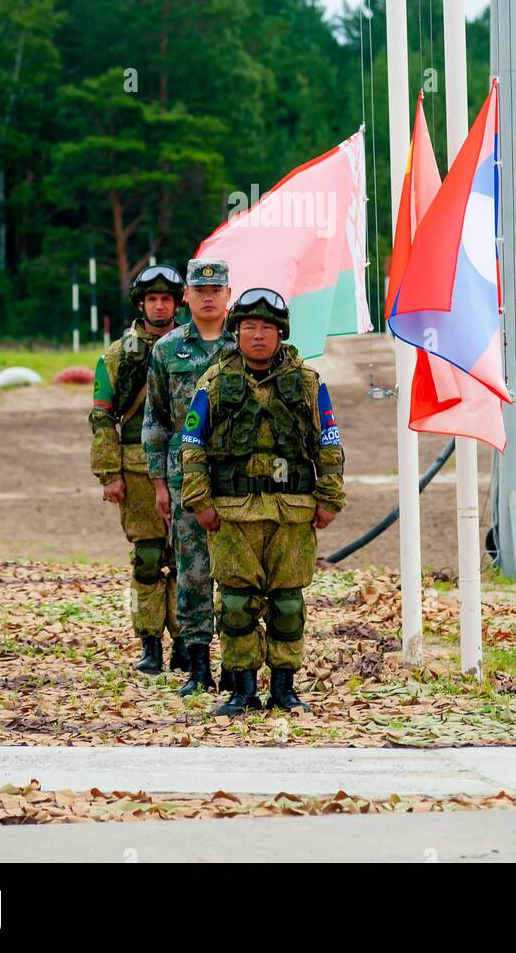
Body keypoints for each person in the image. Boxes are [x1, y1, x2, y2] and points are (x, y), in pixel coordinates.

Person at [180, 288, 345, 715]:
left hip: (291, 512)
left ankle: (284, 689)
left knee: (287, 604)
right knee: (236, 605)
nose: (258, 336)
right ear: (236, 333)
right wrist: (199, 501)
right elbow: (192, 445)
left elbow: (328, 443)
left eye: (267, 328)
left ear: (280, 332)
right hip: (233, 514)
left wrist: (329, 498)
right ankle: (243, 690)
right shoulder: (214, 383)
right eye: (249, 327)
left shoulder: (307, 383)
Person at [142, 258, 236, 696]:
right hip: (186, 479)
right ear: (188, 298)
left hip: (239, 476)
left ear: (228, 295)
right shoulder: (167, 350)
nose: (208, 297)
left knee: (239, 572)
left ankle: (239, 663)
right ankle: (198, 665)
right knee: (193, 571)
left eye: (216, 290)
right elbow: (156, 420)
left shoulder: (247, 344)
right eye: (201, 291)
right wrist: (160, 483)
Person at [89, 265, 187, 676]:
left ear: (177, 303)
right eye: (153, 300)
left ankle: (187, 642)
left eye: (167, 299)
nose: (160, 306)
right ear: (141, 304)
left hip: (186, 468)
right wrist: (108, 472)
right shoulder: (117, 355)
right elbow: (101, 418)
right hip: (135, 471)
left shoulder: (193, 348)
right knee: (148, 558)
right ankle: (150, 644)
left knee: (187, 559)